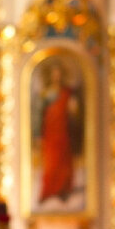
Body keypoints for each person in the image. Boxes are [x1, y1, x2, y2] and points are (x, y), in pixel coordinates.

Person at [37, 62, 80, 206]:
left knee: (63, 161)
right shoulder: (46, 94)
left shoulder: (67, 92)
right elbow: (41, 115)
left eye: (58, 73)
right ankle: (49, 190)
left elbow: (73, 112)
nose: (56, 76)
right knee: (51, 162)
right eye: (54, 73)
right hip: (50, 133)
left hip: (63, 131)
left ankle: (63, 190)